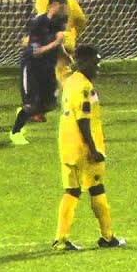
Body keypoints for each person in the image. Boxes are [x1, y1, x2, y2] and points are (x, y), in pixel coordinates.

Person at [54, 46, 126, 252]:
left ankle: (98, 237)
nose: (98, 67)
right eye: (94, 62)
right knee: (87, 189)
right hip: (82, 149)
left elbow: (61, 65)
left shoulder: (71, 80)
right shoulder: (84, 88)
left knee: (80, 189)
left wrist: (56, 43)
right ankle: (101, 237)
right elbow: (83, 121)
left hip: (67, 145)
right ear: (83, 63)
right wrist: (93, 149)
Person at [9, 0, 69, 146]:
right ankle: (15, 132)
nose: (64, 11)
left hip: (48, 68)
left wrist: (66, 55)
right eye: (62, 8)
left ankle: (23, 113)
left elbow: (59, 39)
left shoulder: (59, 21)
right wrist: (55, 44)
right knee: (31, 103)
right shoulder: (37, 23)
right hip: (32, 67)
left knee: (51, 104)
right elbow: (37, 51)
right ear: (53, 5)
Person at [34, 0, 87, 84]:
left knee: (53, 73)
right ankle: (77, 96)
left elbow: (44, 20)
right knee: (64, 72)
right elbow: (81, 19)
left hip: (53, 40)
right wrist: (73, 33)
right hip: (68, 39)